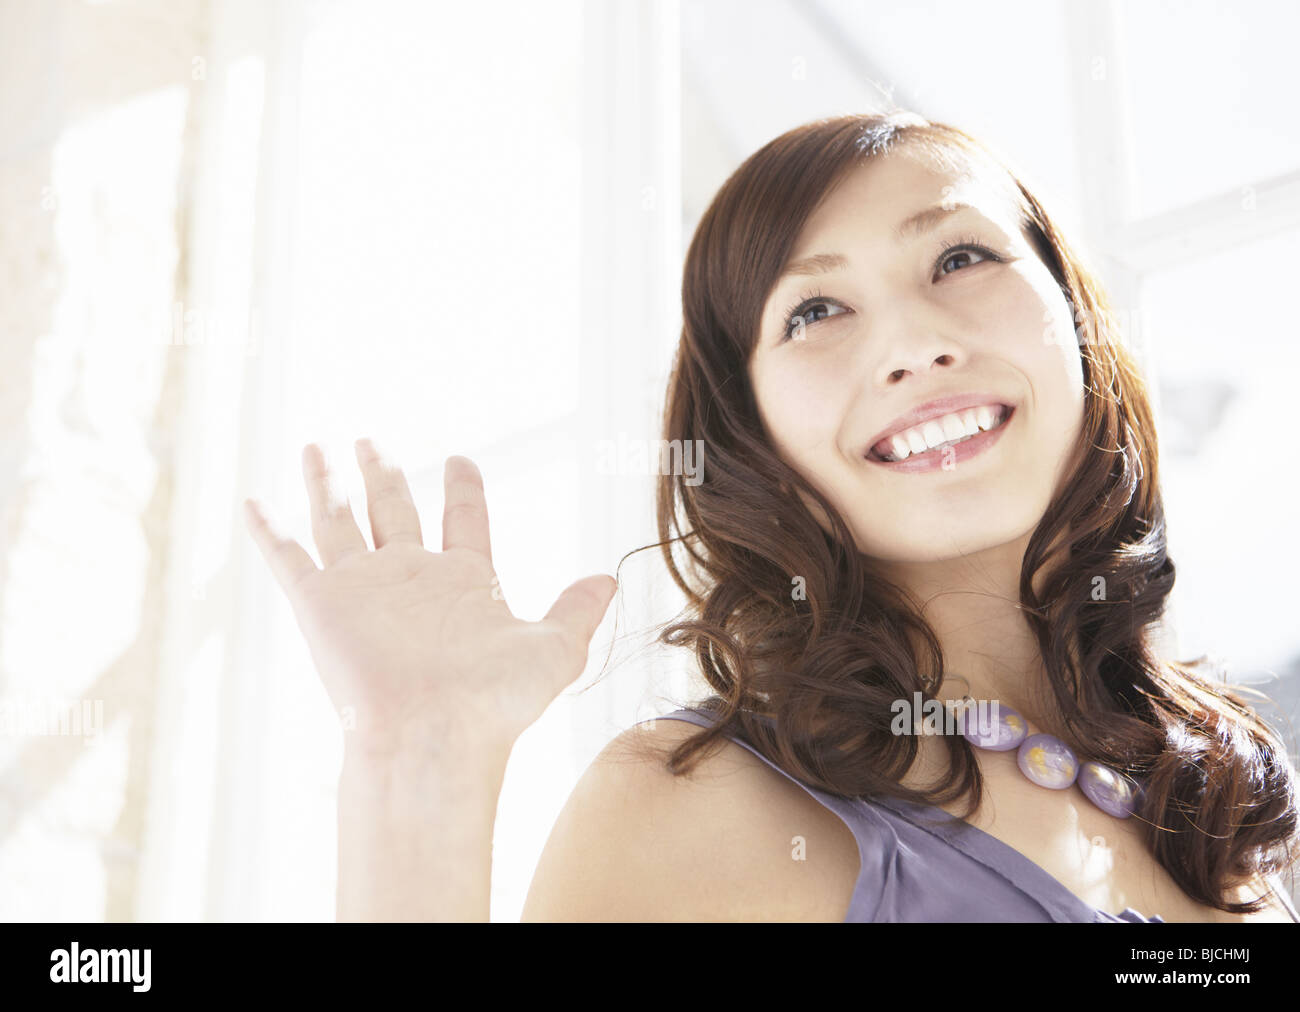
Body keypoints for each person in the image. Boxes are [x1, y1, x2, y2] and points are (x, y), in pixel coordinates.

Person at [243, 110, 1300, 922]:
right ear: (753, 437)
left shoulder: (1214, 795)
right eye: (816, 311)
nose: (912, 343)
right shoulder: (701, 804)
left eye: (960, 258)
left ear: (1072, 316)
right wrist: (417, 757)